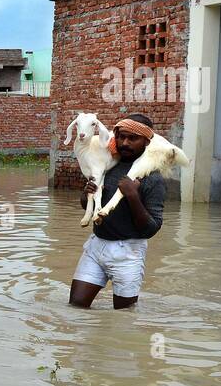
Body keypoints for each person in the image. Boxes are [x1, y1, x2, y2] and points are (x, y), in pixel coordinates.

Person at [69, 113, 167, 310]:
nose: (125, 143)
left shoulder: (152, 177)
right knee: (76, 306)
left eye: (133, 138)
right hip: (96, 246)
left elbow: (151, 229)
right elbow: (89, 205)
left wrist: (132, 195)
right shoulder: (107, 163)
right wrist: (86, 194)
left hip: (128, 251)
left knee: (124, 316)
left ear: (147, 142)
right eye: (121, 136)